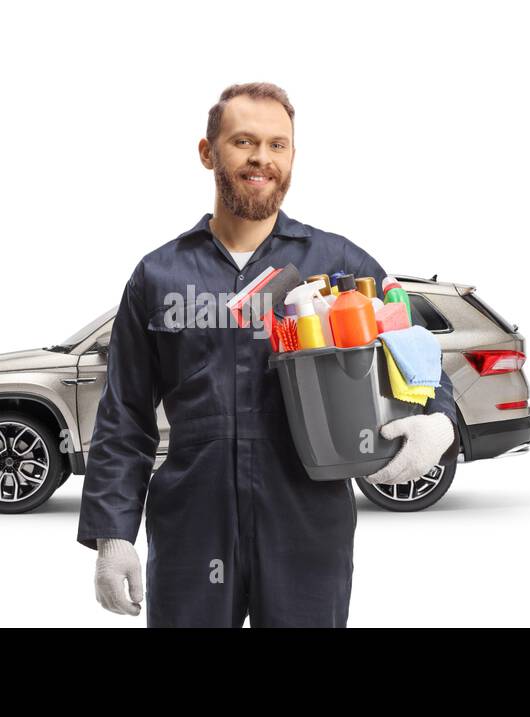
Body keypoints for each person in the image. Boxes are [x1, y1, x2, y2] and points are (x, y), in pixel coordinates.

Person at [76, 83, 457, 627]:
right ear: (209, 152)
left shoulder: (337, 262)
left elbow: (413, 348)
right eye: (244, 142)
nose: (262, 158)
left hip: (307, 517)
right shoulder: (159, 275)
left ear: (293, 157)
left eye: (278, 145)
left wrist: (439, 419)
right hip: (192, 524)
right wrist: (113, 532)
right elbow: (125, 415)